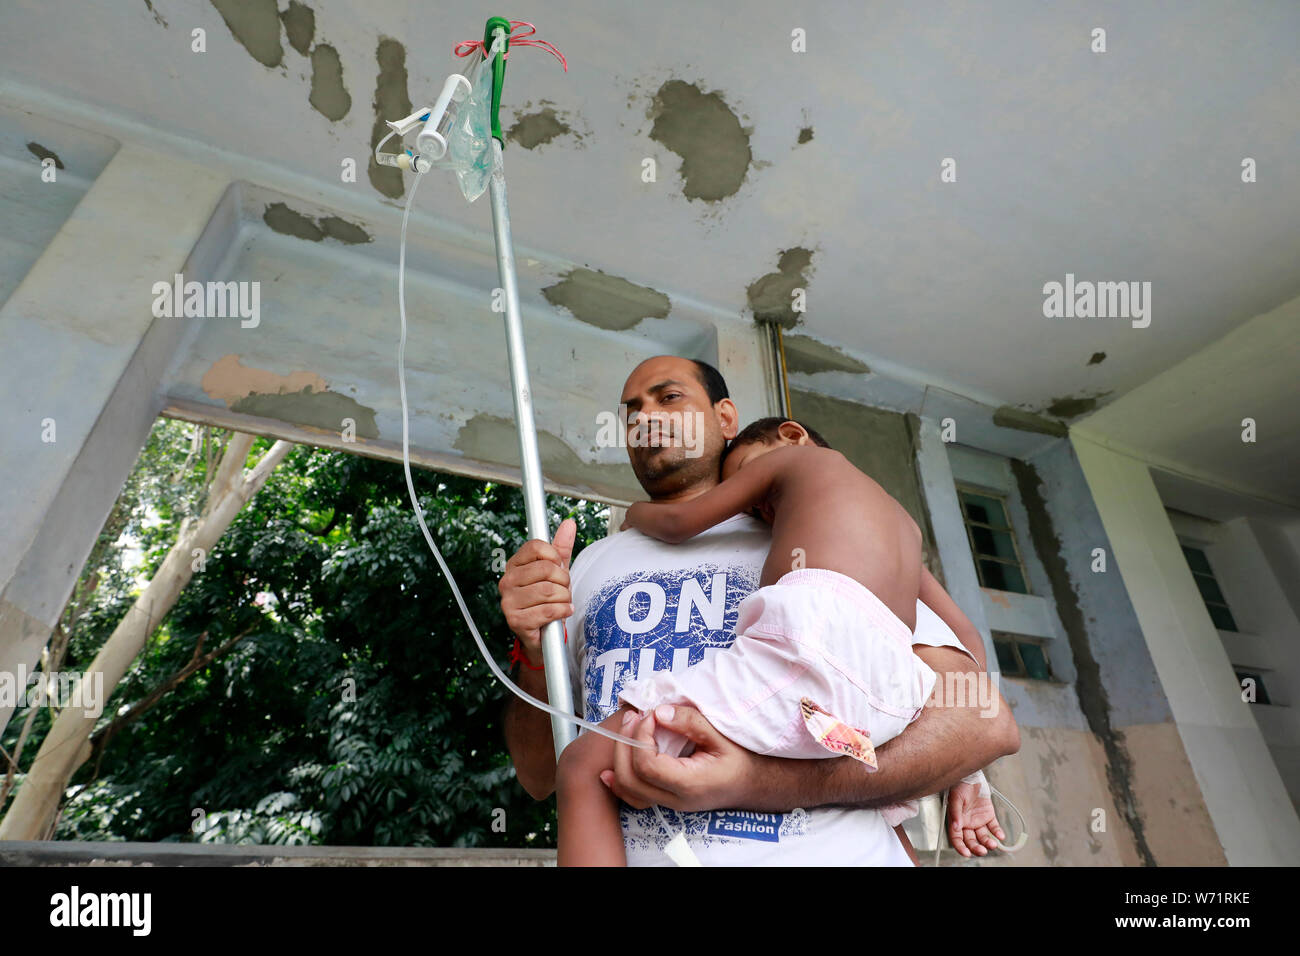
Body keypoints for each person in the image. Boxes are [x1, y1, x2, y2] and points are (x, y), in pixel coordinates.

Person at [499, 355, 1019, 865]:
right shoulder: (586, 566)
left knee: (586, 765)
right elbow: (537, 776)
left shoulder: (799, 531)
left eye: (669, 396)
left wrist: (756, 781)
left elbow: (983, 721)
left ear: (726, 418)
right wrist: (533, 648)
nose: (646, 418)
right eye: (630, 411)